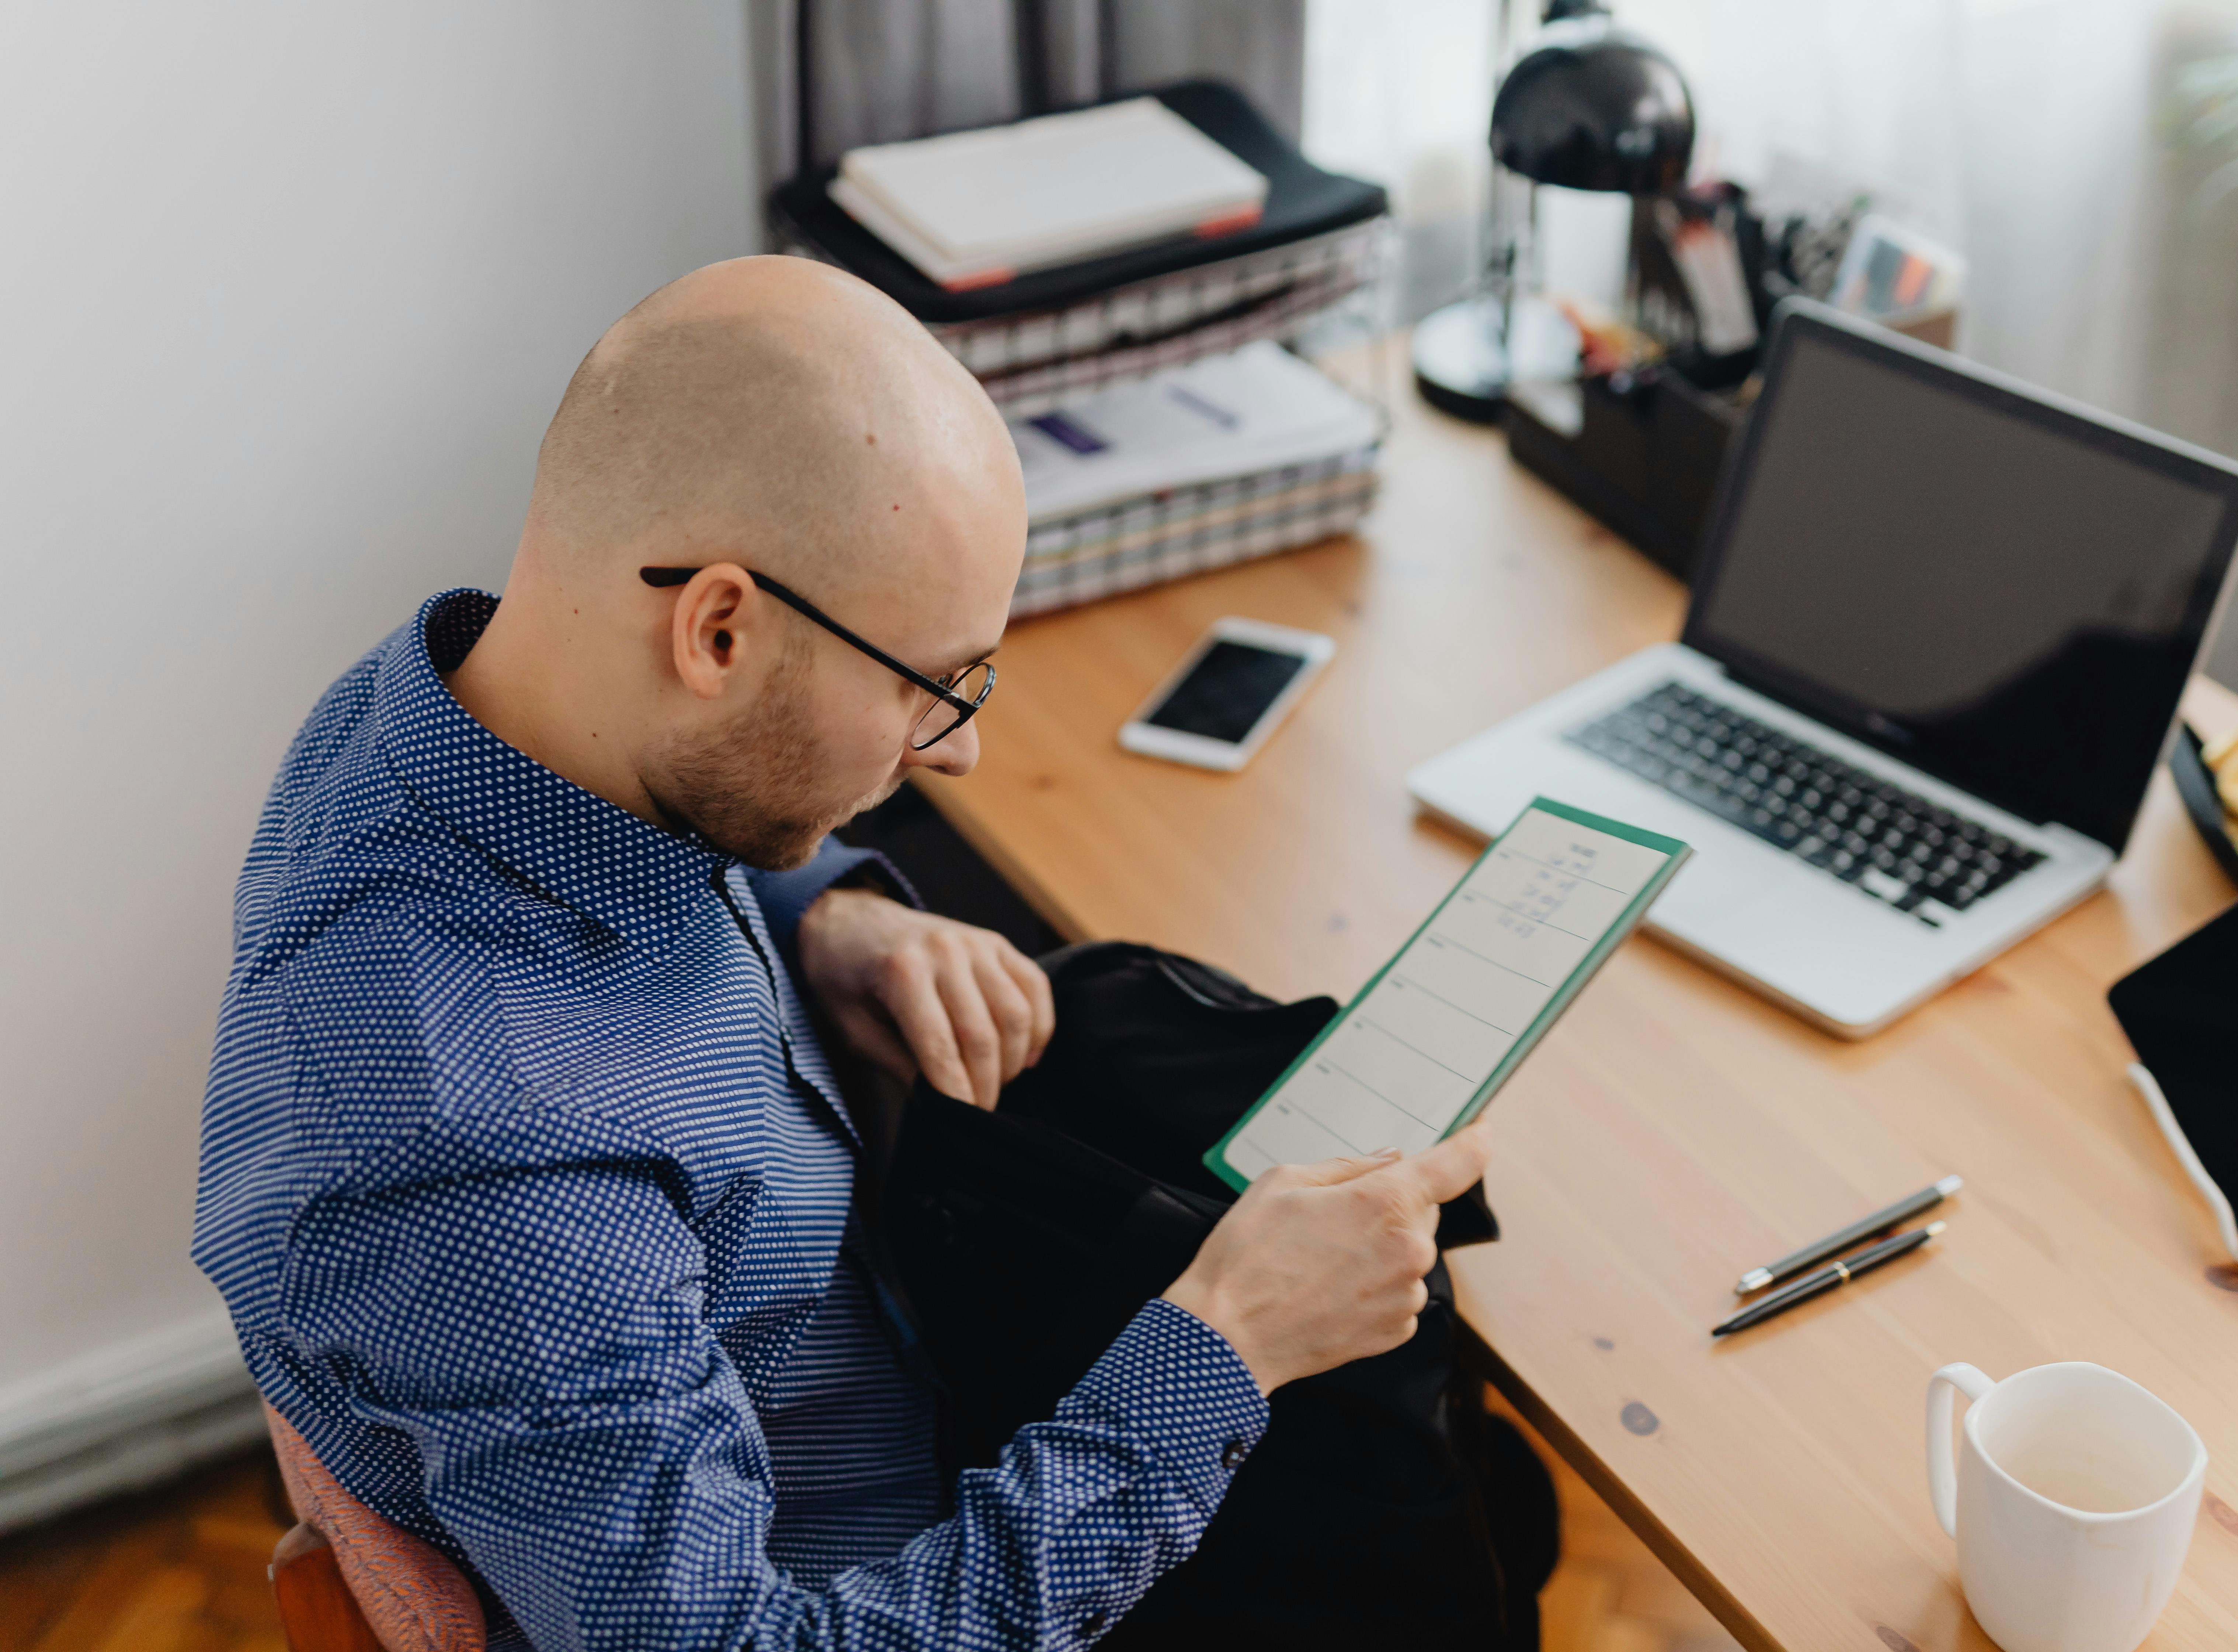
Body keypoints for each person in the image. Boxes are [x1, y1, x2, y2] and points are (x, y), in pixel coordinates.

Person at [193, 255, 1493, 1652]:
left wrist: (830, 914)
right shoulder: (495, 1174)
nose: (967, 748)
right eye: (932, 687)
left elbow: (682, 801)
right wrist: (1227, 1345)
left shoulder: (451, 719)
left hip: (913, 1355)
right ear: (722, 628)